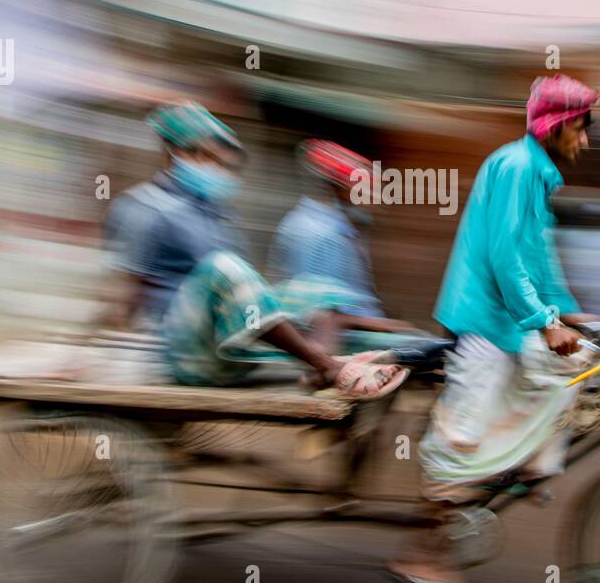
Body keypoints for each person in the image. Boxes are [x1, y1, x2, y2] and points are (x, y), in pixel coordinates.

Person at [387, 73, 600, 583]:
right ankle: (423, 559)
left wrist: (570, 312)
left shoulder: (536, 173)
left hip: (509, 322)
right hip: (484, 322)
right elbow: (505, 256)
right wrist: (546, 322)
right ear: (554, 126)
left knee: (573, 375)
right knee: (461, 442)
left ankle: (522, 466)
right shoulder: (515, 167)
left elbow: (539, 259)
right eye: (580, 128)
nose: (585, 140)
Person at [98, 100, 408, 397]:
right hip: (184, 352)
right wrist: (113, 354)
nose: (217, 169)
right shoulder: (144, 207)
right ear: (174, 153)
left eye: (221, 163)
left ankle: (320, 367)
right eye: (206, 157)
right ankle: (327, 366)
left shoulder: (214, 214)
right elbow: (124, 290)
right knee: (223, 266)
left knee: (316, 289)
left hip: (226, 346)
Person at [269, 139, 417, 352]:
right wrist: (386, 326)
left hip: (353, 334)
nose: (376, 199)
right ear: (341, 190)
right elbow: (318, 313)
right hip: (339, 341)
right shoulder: (317, 233)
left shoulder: (342, 230)